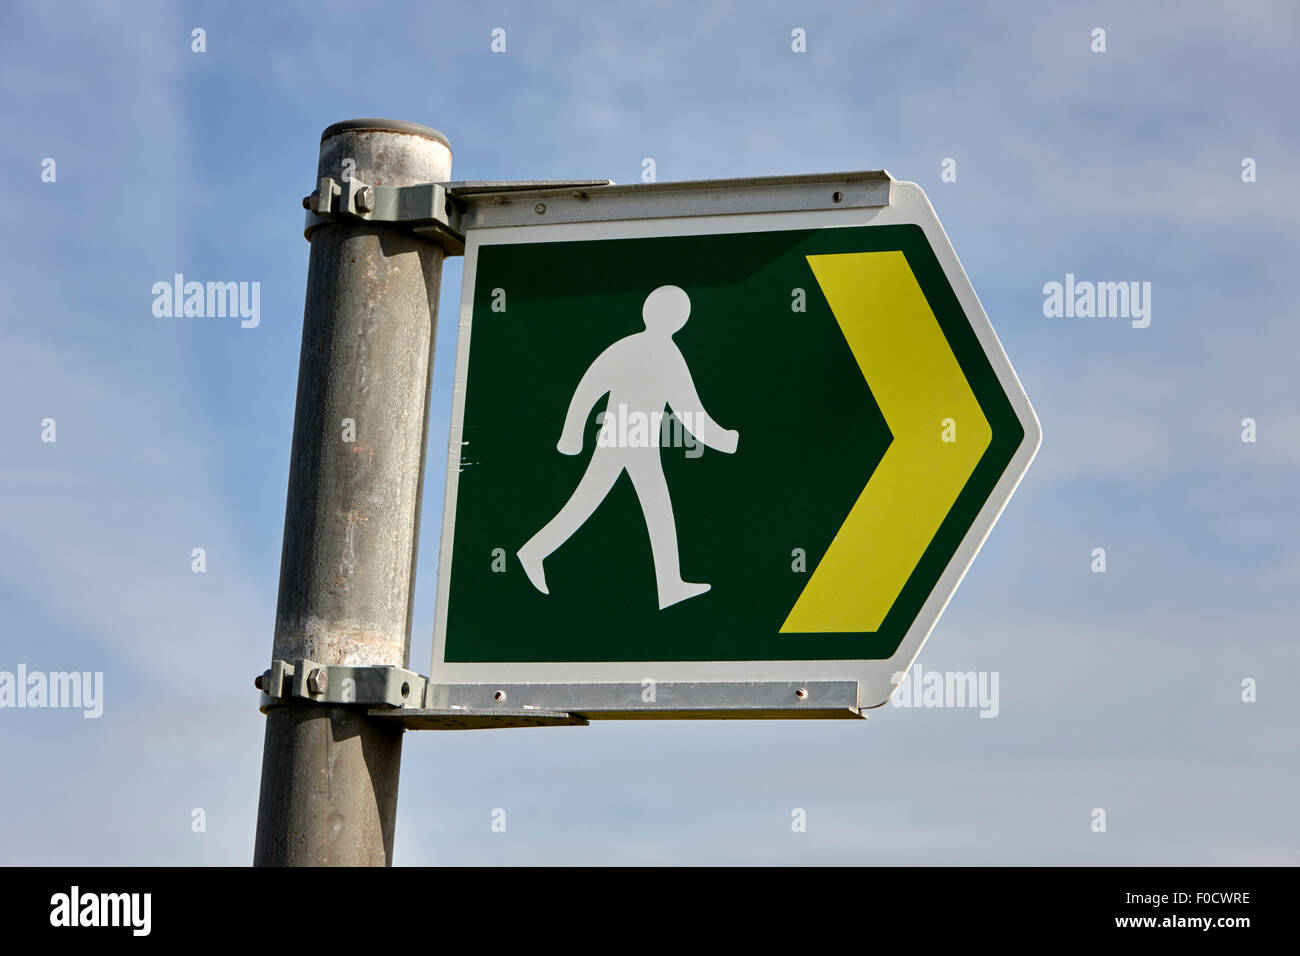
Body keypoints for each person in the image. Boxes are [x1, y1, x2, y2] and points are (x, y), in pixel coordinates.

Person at [517, 285, 739, 609]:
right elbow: (689, 412)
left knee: (643, 505)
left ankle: (669, 583)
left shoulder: (637, 348)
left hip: (637, 441)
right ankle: (534, 553)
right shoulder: (662, 354)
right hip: (624, 439)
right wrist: (725, 440)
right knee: (594, 503)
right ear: (678, 319)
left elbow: (591, 388)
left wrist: (573, 434)